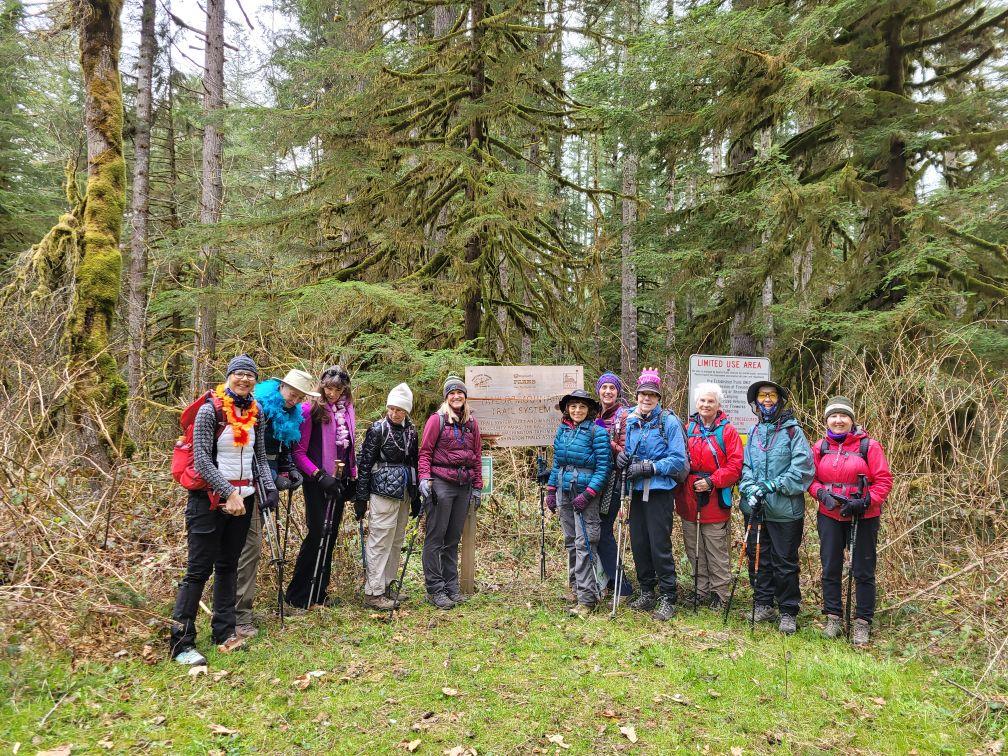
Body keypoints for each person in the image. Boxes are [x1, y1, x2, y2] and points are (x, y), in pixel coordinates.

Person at [169, 355, 278, 665]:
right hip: (208, 501)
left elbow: (259, 457)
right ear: (229, 377)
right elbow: (202, 459)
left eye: (250, 376)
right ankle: (181, 643)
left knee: (229, 565)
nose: (244, 380)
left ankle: (224, 632)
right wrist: (228, 491)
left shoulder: (256, 414)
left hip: (243, 500)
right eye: (239, 374)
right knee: (198, 571)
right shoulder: (209, 411)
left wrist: (267, 487)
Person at [233, 369, 317, 638]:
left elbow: (285, 449)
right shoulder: (262, 407)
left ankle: (251, 606)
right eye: (292, 393)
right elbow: (253, 450)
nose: (294, 399)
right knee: (250, 546)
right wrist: (268, 479)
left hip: (269, 477)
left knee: (260, 543)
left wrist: (289, 470)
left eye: (300, 396)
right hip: (250, 478)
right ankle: (238, 612)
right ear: (281, 387)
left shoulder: (293, 413)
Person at [809, 396, 893, 646]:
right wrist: (820, 493)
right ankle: (833, 617)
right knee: (830, 566)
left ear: (851, 419)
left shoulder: (869, 446)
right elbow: (809, 479)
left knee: (863, 570)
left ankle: (862, 622)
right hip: (830, 514)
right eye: (833, 416)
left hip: (863, 515)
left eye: (843, 416)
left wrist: (866, 501)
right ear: (827, 420)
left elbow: (884, 481)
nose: (838, 420)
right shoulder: (820, 446)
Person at [738, 380, 815, 635]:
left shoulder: (794, 432)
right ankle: (763, 603)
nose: (767, 400)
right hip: (757, 509)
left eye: (771, 395)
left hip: (785, 512)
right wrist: (749, 488)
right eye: (762, 396)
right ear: (756, 401)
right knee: (759, 558)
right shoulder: (755, 432)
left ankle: (788, 611)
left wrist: (772, 485)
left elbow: (802, 469)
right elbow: (746, 466)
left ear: (779, 400)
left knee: (785, 562)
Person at [615, 368, 687, 622]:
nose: (647, 399)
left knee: (659, 544)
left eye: (652, 395)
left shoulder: (667, 422)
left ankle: (668, 595)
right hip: (635, 491)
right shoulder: (633, 421)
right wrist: (623, 458)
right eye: (643, 394)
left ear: (658, 398)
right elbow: (630, 453)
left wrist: (652, 467)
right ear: (636, 395)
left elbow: (678, 460)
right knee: (639, 543)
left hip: (659, 491)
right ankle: (647, 590)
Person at [285, 365, 357, 609]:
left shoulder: (347, 412)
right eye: (328, 388)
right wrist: (318, 475)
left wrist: (351, 477)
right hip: (317, 481)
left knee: (331, 535)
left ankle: (319, 592)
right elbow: (298, 453)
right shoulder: (310, 410)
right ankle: (298, 594)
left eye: (338, 389)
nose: (332, 393)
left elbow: (349, 450)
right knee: (316, 533)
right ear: (321, 386)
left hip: (338, 480)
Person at [673, 382, 744, 611]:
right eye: (702, 400)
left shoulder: (728, 431)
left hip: (714, 496)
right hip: (689, 496)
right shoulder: (688, 428)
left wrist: (713, 481)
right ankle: (700, 591)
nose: (706, 405)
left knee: (715, 549)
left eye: (710, 401)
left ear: (718, 405)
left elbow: (735, 465)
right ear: (696, 403)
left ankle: (720, 594)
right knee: (694, 548)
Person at [544, 389, 612, 617]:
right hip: (564, 490)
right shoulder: (562, 430)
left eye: (582, 407)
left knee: (585, 544)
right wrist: (551, 490)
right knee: (571, 541)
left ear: (589, 410)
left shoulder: (597, 433)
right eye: (573, 406)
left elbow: (604, 468)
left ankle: (587, 598)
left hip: (585, 495)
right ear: (567, 409)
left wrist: (589, 494)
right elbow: (557, 464)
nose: (577, 410)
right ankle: (575, 588)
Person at [418, 375, 483, 610]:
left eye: (460, 393)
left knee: (452, 539)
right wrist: (425, 479)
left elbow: (476, 456)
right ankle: (435, 589)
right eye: (452, 393)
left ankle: (451, 586)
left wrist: (477, 487)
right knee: (435, 538)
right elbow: (424, 452)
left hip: (463, 486)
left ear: (465, 396)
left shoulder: (472, 423)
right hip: (441, 485)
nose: (456, 396)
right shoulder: (437, 420)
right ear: (446, 397)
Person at [353, 383, 420, 610]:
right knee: (380, 539)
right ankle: (373, 591)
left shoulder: (411, 431)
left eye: (399, 409)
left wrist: (417, 495)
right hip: (381, 491)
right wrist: (360, 498)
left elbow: (414, 463)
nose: (394, 413)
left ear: (407, 411)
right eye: (391, 408)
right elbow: (365, 464)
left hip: (403, 491)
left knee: (396, 539)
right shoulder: (377, 429)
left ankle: (388, 584)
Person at [594, 372, 635, 602]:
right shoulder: (595, 414)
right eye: (604, 387)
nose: (608, 391)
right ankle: (609, 581)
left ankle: (622, 587)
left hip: (615, 482)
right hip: (597, 481)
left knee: (602, 532)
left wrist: (604, 440)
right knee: (598, 532)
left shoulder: (624, 416)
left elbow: (627, 451)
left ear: (618, 391)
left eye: (612, 387)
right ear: (598, 390)